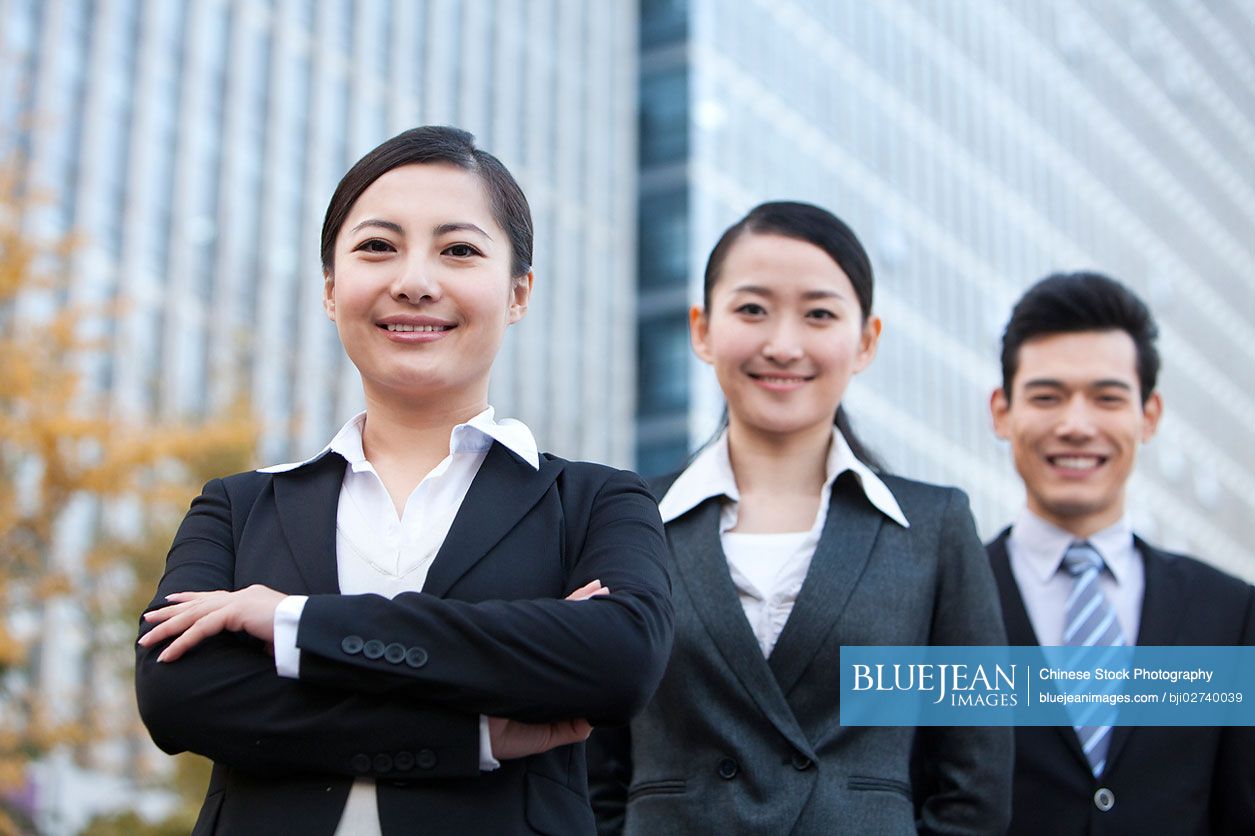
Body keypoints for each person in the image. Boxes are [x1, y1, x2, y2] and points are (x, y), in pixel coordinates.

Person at [134, 126, 674, 836]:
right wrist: (471, 736)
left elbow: (616, 660)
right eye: (377, 247)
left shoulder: (596, 502)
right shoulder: (238, 506)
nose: (414, 281)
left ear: (517, 293)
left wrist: (294, 623)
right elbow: (180, 694)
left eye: (458, 250)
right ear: (331, 290)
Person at [587, 202, 1012, 835]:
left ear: (866, 340)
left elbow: (975, 782)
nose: (783, 345)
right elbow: (592, 769)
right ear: (702, 329)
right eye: (752, 309)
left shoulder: (934, 527)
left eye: (818, 314)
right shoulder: (624, 520)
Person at [986, 271, 1255, 835]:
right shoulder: (938, 600)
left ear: (1149, 415)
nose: (1076, 425)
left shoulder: (1230, 615)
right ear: (1002, 411)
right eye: (1047, 396)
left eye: (1107, 398)